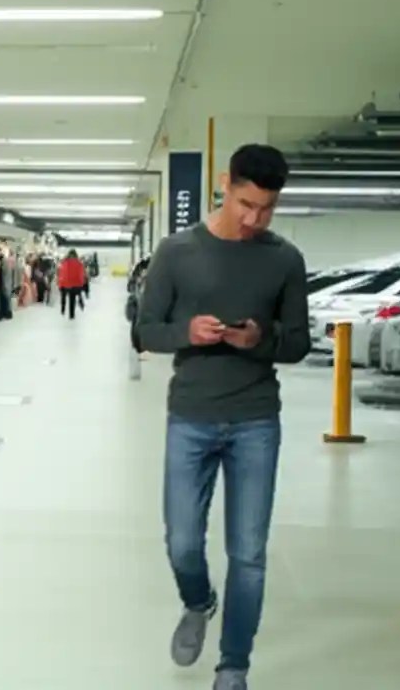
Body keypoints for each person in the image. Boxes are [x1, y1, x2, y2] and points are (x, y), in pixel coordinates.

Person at [136, 144, 311, 690]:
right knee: (183, 541)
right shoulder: (177, 252)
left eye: (266, 208)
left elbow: (300, 343)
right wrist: (185, 333)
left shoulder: (285, 259)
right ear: (223, 184)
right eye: (244, 204)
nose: (254, 219)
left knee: (250, 554)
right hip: (191, 414)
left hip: (257, 419)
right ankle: (198, 601)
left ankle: (234, 666)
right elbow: (144, 330)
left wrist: (262, 339)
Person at [57, 249, 88, 320]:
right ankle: (72, 314)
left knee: (67, 298)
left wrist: (60, 283)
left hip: (67, 284)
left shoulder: (64, 262)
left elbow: (62, 274)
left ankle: (65, 311)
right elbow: (81, 274)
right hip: (76, 284)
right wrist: (81, 283)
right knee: (73, 299)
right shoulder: (79, 263)